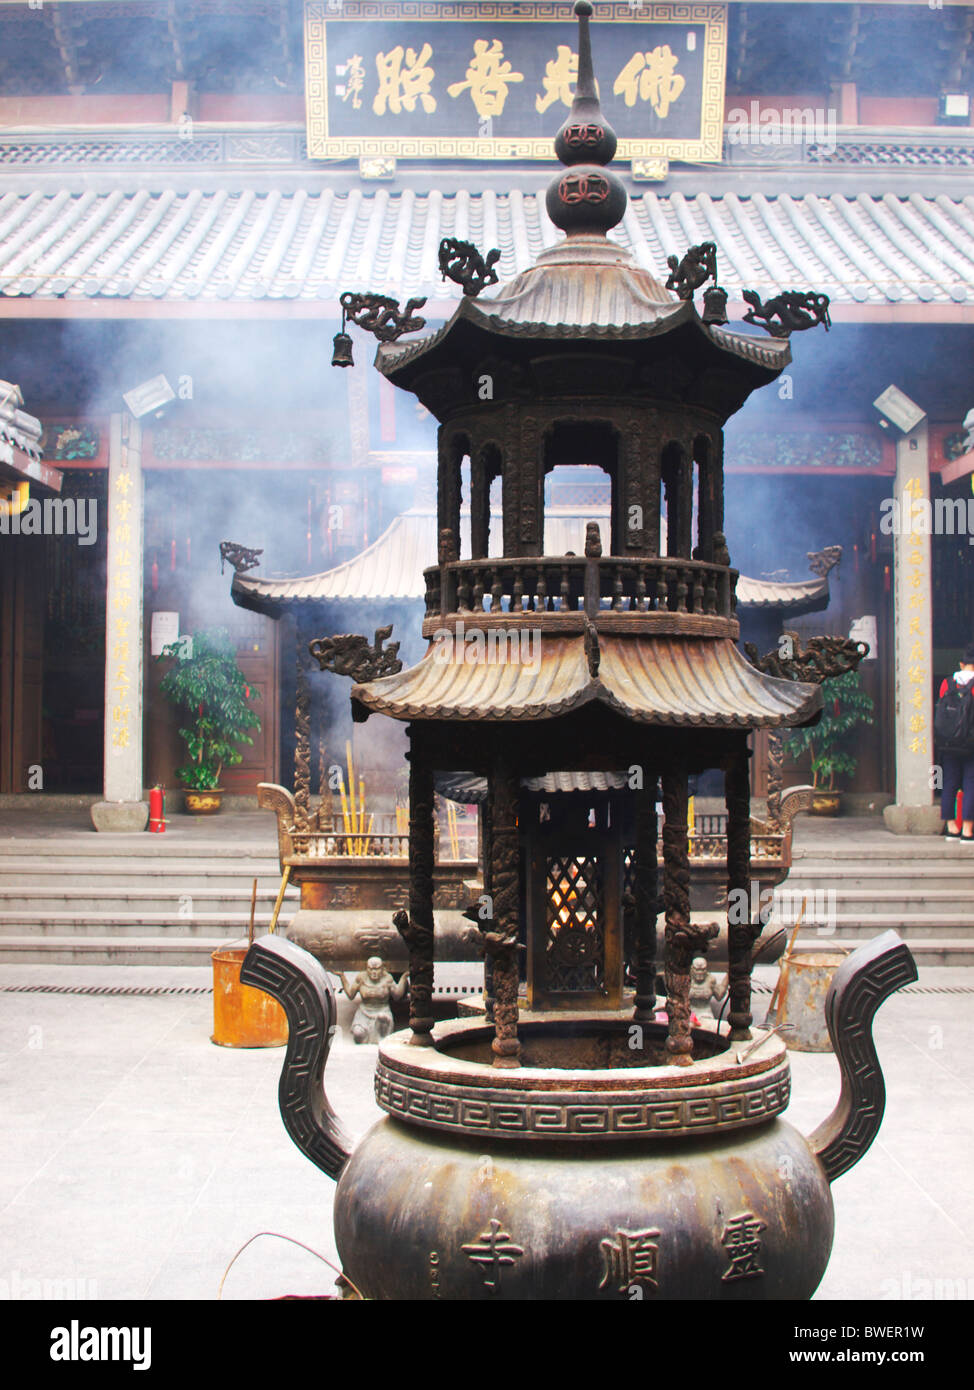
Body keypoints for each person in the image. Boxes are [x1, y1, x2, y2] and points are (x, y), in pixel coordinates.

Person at [936, 643, 974, 841]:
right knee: (971, 783)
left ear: (962, 663)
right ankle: (967, 831)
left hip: (948, 742)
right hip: (971, 743)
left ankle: (952, 828)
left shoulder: (947, 683)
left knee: (949, 783)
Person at [337, 957, 408, 1044]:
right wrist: (342, 976)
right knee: (358, 1034)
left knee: (382, 1019)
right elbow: (350, 995)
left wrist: (404, 978)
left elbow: (397, 996)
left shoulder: (387, 979)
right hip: (364, 1012)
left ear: (382, 969)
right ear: (367, 969)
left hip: (382, 1010)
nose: (373, 972)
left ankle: (380, 1036)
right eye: (370, 969)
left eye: (377, 969)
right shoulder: (361, 978)